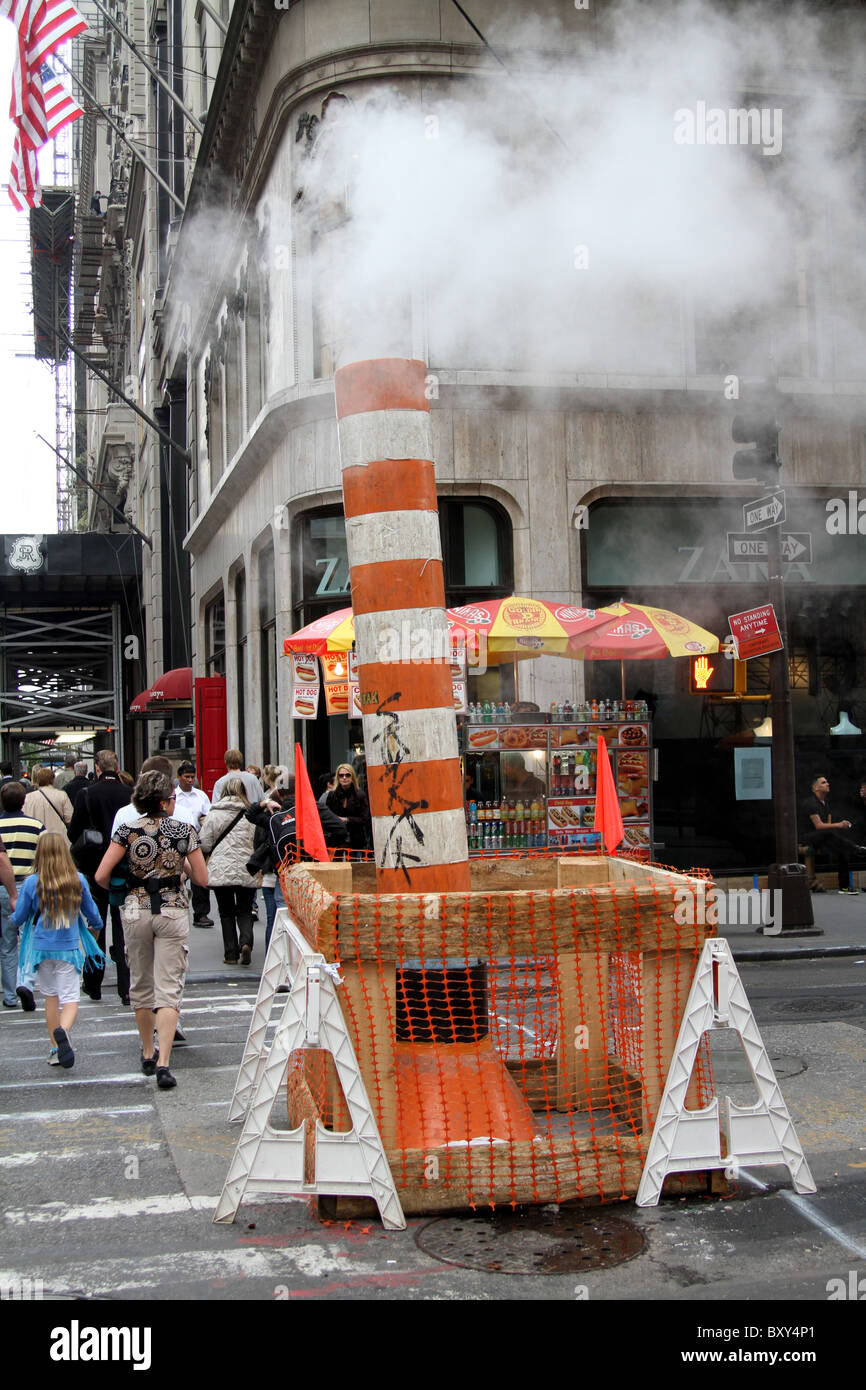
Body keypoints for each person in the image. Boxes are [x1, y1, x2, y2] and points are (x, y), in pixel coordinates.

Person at [96, 770, 207, 1090]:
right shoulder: (183, 830)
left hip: (135, 908)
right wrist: (179, 866)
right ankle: (164, 1063)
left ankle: (147, 1052)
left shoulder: (126, 831)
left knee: (141, 983)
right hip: (171, 909)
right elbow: (202, 878)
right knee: (169, 987)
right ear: (162, 801)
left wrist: (129, 884)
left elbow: (102, 875)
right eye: (171, 798)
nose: (174, 802)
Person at [11, 834, 105, 1069]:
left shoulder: (33, 882)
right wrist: (96, 927)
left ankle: (55, 1047)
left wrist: (12, 916)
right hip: (68, 947)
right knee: (71, 999)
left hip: (41, 948)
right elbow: (93, 914)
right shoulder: (77, 879)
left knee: (50, 997)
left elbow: (19, 917)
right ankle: (64, 1032)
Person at [68, 749, 132, 1002]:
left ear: (96, 767)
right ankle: (126, 987)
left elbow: (74, 833)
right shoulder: (129, 794)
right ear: (116, 767)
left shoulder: (86, 795)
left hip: (95, 867)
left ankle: (93, 982)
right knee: (123, 926)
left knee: (97, 924)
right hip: (123, 869)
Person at [199, 778, 259, 965]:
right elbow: (258, 840)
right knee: (245, 909)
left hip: (221, 868)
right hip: (246, 867)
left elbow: (205, 843)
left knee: (225, 912)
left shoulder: (214, 814)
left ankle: (230, 954)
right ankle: (246, 942)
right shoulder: (251, 814)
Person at [0, 782, 43, 1009]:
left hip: (2, 888)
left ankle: (10, 995)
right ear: (24, 800)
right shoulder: (35, 826)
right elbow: (45, 857)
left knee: (7, 944)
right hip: (29, 885)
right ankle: (25, 982)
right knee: (29, 938)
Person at [800, 774, 866, 894]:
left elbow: (828, 827)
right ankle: (856, 849)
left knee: (843, 851)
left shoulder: (826, 804)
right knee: (829, 834)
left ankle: (844, 887)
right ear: (815, 788)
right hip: (808, 837)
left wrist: (838, 834)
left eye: (827, 782)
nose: (827, 784)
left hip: (824, 837)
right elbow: (819, 826)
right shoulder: (810, 803)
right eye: (823, 783)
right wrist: (839, 824)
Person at [172, 761, 213, 927]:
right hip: (175, 838)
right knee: (177, 875)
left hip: (195, 837)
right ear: (179, 777)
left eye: (192, 777)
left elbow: (208, 815)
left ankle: (201, 913)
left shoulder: (201, 796)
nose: (190, 780)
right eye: (186, 777)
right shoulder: (174, 796)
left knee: (198, 874)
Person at [326, 764, 370, 853]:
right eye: (341, 775)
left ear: (352, 776)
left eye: (348, 775)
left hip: (356, 839)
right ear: (338, 778)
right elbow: (327, 816)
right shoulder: (332, 795)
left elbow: (365, 819)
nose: (344, 778)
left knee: (356, 865)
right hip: (337, 839)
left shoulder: (360, 795)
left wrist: (347, 820)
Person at [23, 767, 74, 838]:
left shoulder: (28, 798)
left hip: (36, 838)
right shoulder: (61, 795)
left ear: (38, 780)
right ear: (53, 780)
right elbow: (70, 818)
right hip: (58, 838)